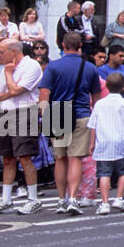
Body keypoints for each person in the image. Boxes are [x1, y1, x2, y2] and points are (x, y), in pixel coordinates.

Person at [37, 31, 102, 213]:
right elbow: (96, 97)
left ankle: (60, 200)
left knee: (60, 159)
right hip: (81, 114)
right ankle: (73, 198)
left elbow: (44, 93)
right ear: (80, 46)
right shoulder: (89, 68)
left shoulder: (53, 67)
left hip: (57, 113)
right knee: (75, 159)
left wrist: (45, 114)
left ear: (62, 46)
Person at [0, 39, 45, 215]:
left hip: (24, 112)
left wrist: (8, 76)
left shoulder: (31, 66)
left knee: (24, 157)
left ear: (13, 51)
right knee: (7, 157)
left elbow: (17, 91)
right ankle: (6, 199)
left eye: (1, 52)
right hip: (6, 113)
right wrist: (10, 88)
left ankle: (33, 199)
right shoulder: (7, 67)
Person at [88, 72, 124, 214]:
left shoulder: (99, 104)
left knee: (104, 173)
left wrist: (92, 143)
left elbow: (93, 126)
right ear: (123, 86)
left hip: (103, 143)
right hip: (122, 142)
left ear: (107, 86)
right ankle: (119, 198)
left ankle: (104, 203)